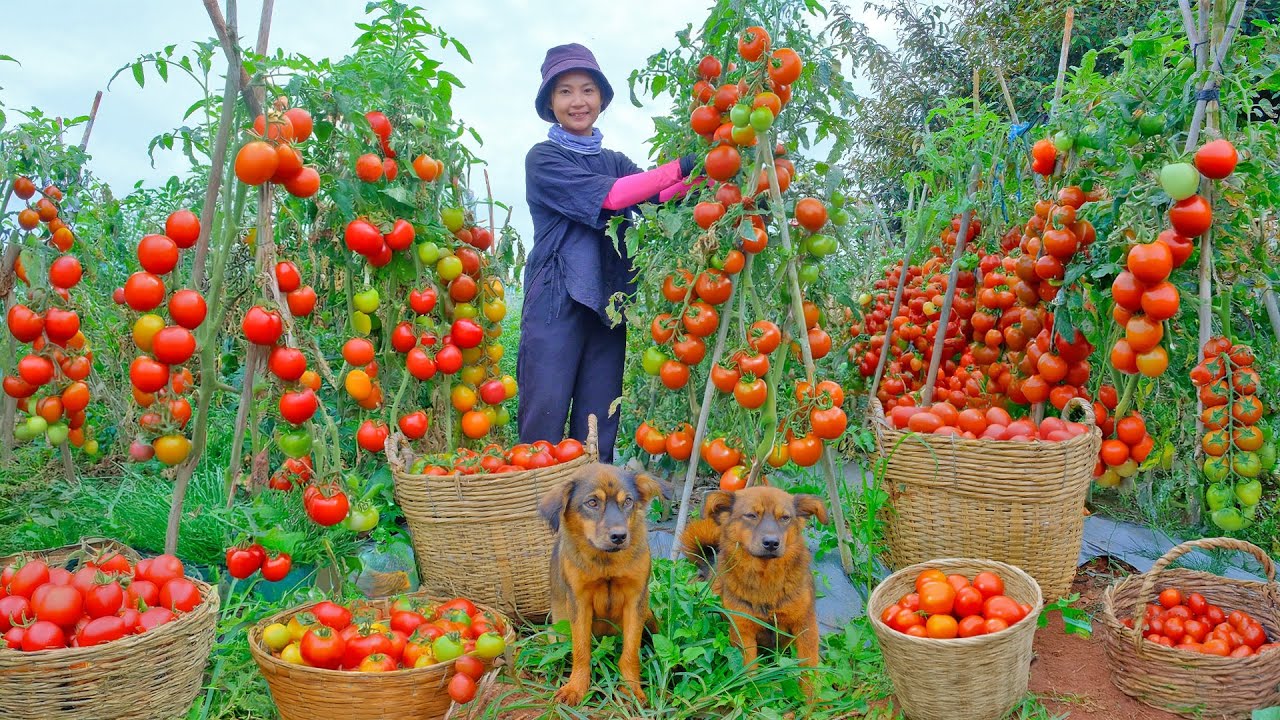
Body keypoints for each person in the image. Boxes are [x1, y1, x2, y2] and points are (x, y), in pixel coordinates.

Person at [518, 43, 697, 463]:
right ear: (550, 103)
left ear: (601, 98)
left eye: (587, 90)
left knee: (598, 421)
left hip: (609, 301)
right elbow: (614, 197)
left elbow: (660, 197)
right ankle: (534, 501)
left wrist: (713, 168)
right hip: (555, 299)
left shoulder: (614, 160)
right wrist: (680, 166)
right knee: (544, 416)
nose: (578, 101)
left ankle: (596, 504)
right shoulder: (543, 158)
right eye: (565, 91)